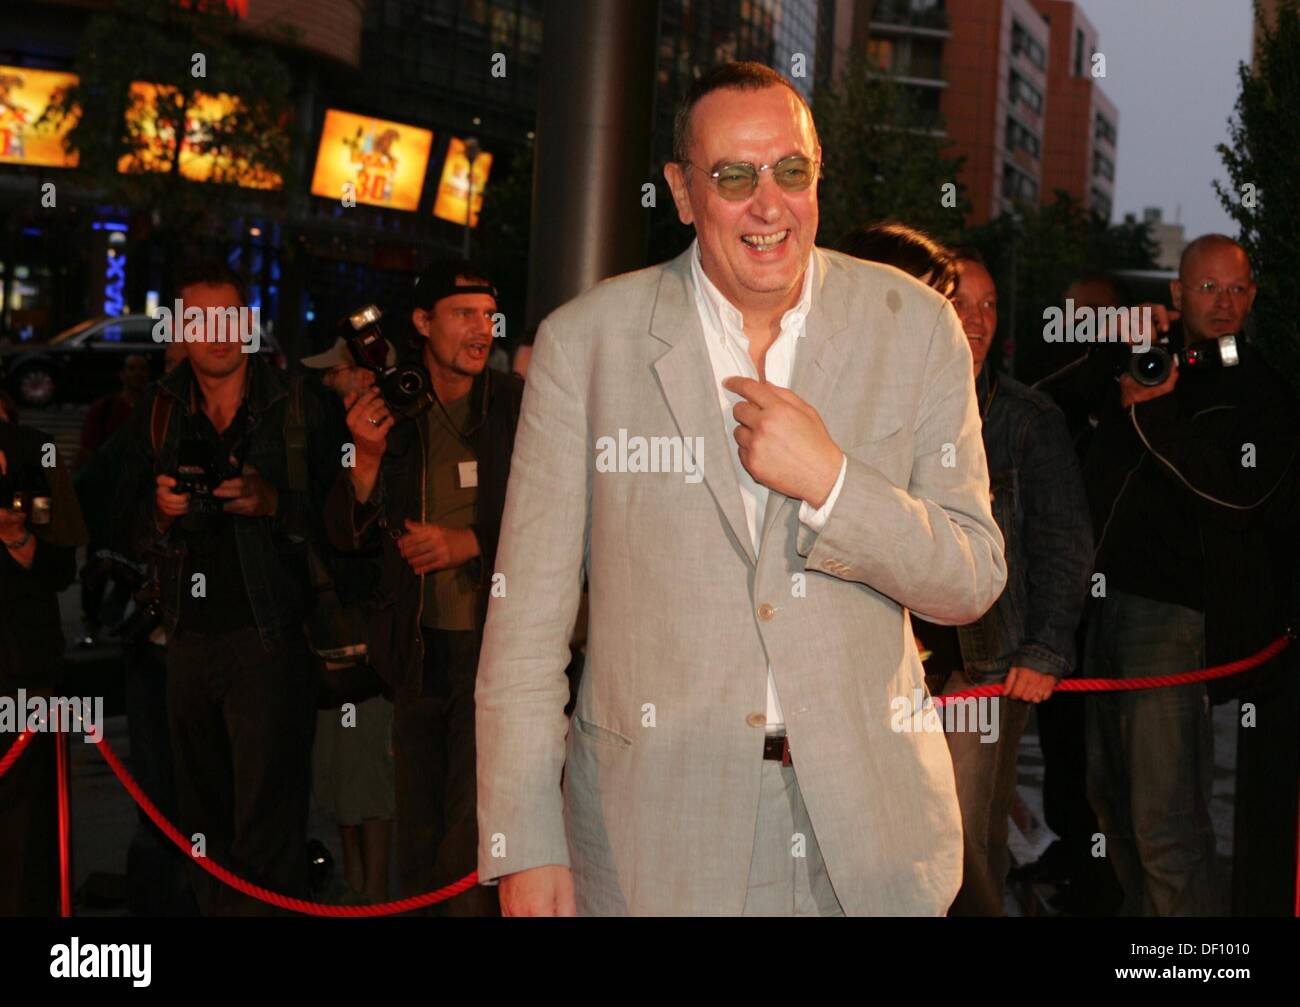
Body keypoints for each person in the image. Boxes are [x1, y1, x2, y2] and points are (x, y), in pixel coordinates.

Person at [474, 61, 1006, 916]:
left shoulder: (915, 326)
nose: (770, 204)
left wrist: (834, 482)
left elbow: (972, 577)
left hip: (871, 838)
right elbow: (525, 630)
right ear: (682, 192)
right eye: (733, 176)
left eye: (790, 171)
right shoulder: (588, 346)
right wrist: (523, 839)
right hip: (655, 835)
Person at [113, 257, 342, 915]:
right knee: (202, 827)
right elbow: (116, 523)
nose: (215, 332)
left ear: (248, 321)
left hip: (269, 640)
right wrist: (159, 512)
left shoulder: (298, 405)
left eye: (228, 316)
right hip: (184, 640)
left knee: (268, 825)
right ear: (181, 328)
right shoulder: (157, 412)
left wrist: (274, 502)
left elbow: (346, 526)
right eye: (200, 318)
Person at [1082, 234, 1297, 916]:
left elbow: (1238, 495)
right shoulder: (1154, 366)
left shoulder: (1260, 389)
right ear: (1176, 296)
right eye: (1208, 288)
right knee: (1111, 807)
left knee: (1164, 822)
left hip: (1177, 621)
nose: (1224, 302)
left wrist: (1156, 415)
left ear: (1253, 296)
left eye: (1237, 288)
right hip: (1106, 608)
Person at [326, 261, 524, 916]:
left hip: (496, 650)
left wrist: (471, 544)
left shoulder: (518, 405)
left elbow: (567, 522)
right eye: (463, 313)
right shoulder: (392, 407)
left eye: (488, 314)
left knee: (469, 838)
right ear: (422, 322)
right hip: (412, 651)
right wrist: (367, 459)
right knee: (414, 831)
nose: (481, 328)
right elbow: (342, 533)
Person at [301, 336, 395, 904]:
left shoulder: (378, 437)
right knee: (341, 784)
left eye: (335, 372)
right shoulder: (330, 435)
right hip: (331, 640)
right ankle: (362, 894)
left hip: (367, 641)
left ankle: (374, 896)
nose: (328, 382)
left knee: (370, 787)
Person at [0, 416, 86, 915]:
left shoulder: (37, 451)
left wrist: (16, 539)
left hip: (21, 674)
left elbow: (60, 566)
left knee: (26, 832)